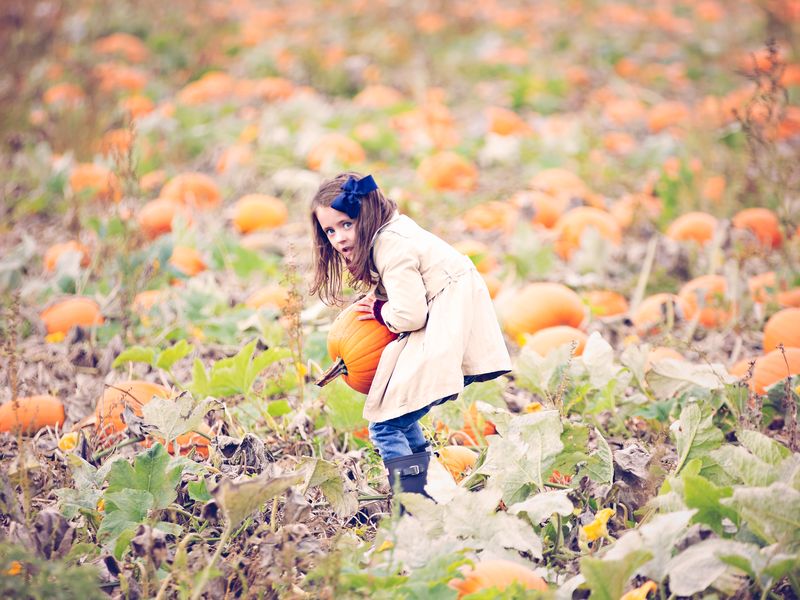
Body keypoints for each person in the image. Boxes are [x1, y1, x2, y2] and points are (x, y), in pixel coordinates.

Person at [310, 172, 511, 502]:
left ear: (367, 213)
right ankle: (429, 496)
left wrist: (379, 313)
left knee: (386, 425)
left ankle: (413, 504)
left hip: (448, 332)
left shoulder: (392, 248)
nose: (339, 238)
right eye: (330, 230)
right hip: (449, 326)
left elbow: (409, 315)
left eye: (346, 224)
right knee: (397, 417)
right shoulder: (393, 233)